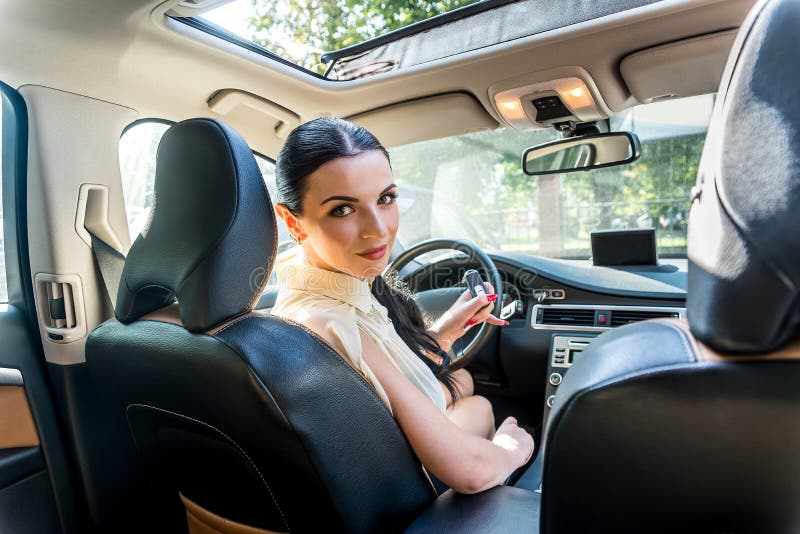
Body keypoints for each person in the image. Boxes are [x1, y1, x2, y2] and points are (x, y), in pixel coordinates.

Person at [270, 117, 534, 494]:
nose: (377, 229)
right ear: (291, 221)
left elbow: (383, 383)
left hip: (373, 459)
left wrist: (442, 335)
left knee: (463, 379)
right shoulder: (336, 320)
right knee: (482, 408)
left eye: (385, 198)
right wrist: (511, 448)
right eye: (343, 209)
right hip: (405, 486)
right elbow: (470, 471)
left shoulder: (325, 293)